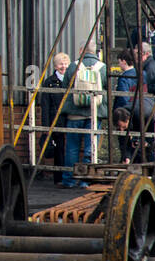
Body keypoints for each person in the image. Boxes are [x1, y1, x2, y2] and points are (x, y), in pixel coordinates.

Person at [63, 46, 107, 188]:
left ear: (81, 50)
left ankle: (69, 180)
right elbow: (107, 87)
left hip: (74, 114)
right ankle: (86, 181)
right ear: (95, 52)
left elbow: (65, 87)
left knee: (72, 148)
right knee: (90, 149)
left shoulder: (73, 66)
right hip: (94, 114)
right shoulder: (102, 67)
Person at [40, 53, 73, 181]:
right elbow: (45, 106)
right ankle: (59, 178)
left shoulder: (72, 80)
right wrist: (46, 126)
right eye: (60, 64)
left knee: (71, 148)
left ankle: (70, 176)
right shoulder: (49, 82)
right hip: (56, 119)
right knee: (59, 148)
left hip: (70, 117)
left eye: (65, 64)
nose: (63, 66)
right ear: (55, 66)